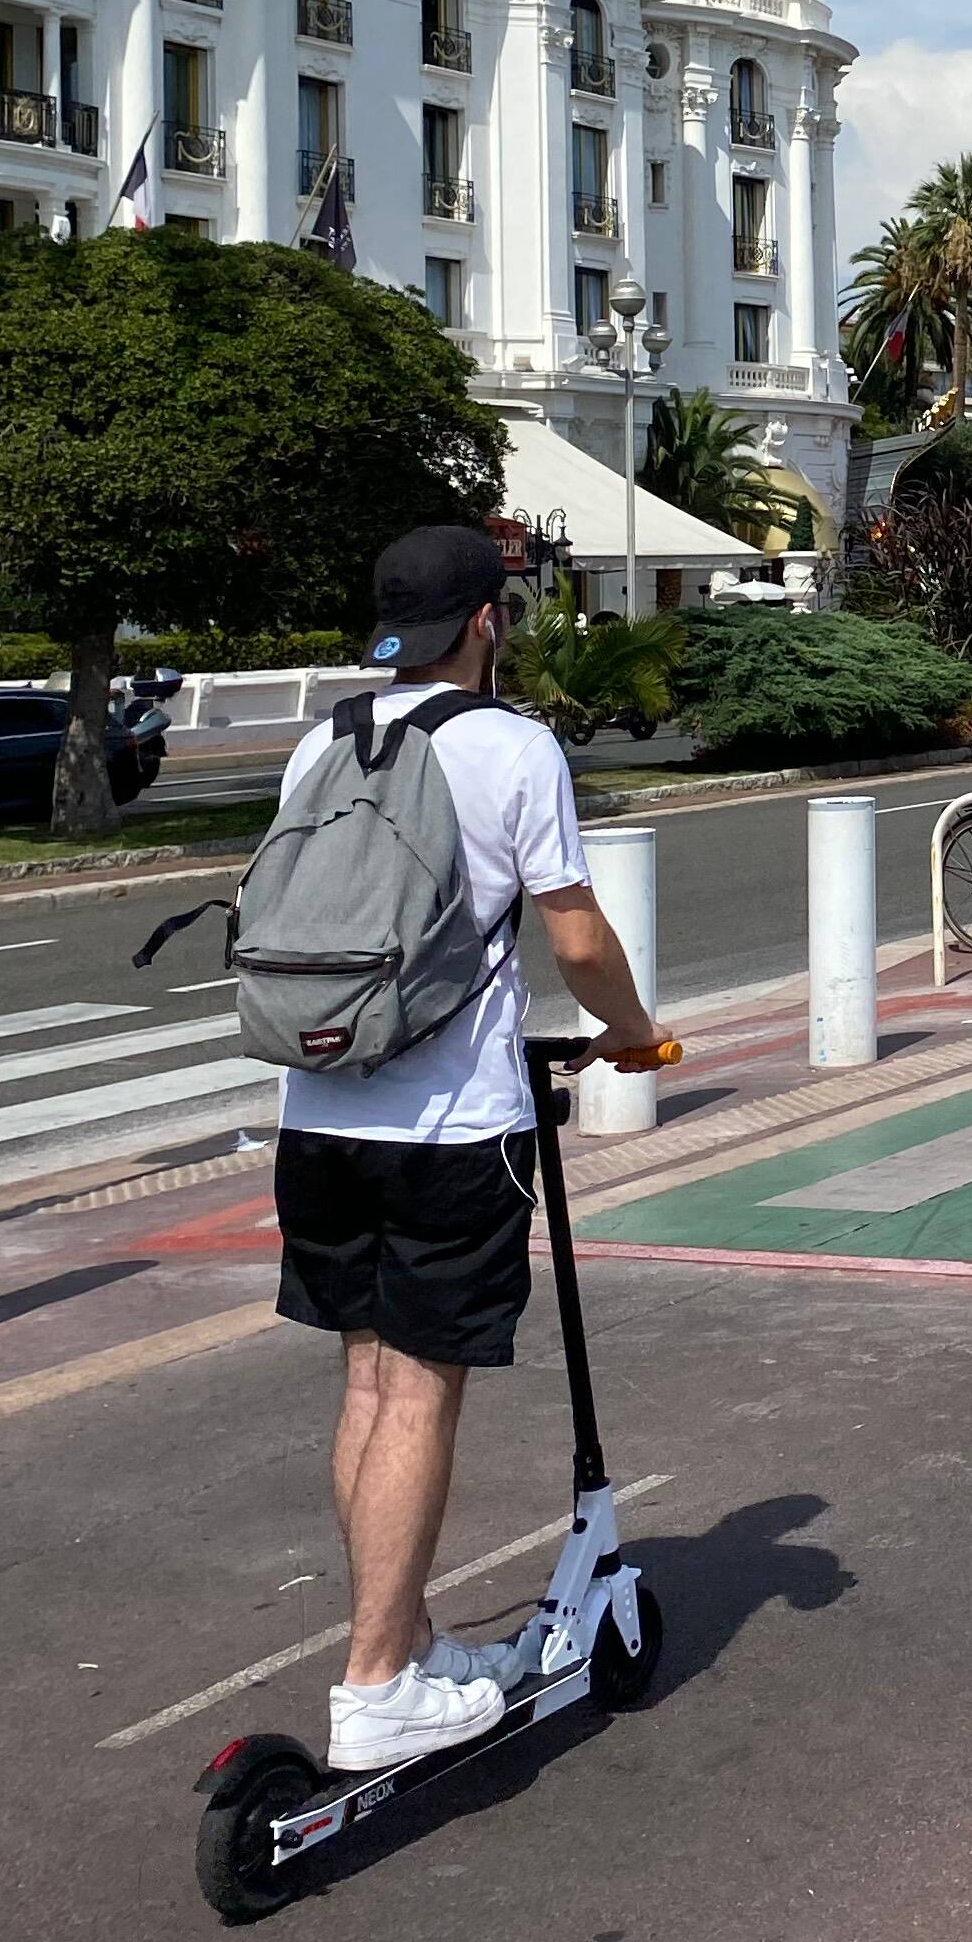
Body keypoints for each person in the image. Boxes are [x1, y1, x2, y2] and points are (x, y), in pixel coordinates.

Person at [274, 527, 672, 1775]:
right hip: (451, 1129)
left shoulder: (322, 739)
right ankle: (379, 1680)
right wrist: (636, 1036)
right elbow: (578, 939)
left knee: (366, 1383)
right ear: (488, 621)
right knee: (421, 1393)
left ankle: (406, 1639)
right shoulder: (512, 747)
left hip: (320, 1111)